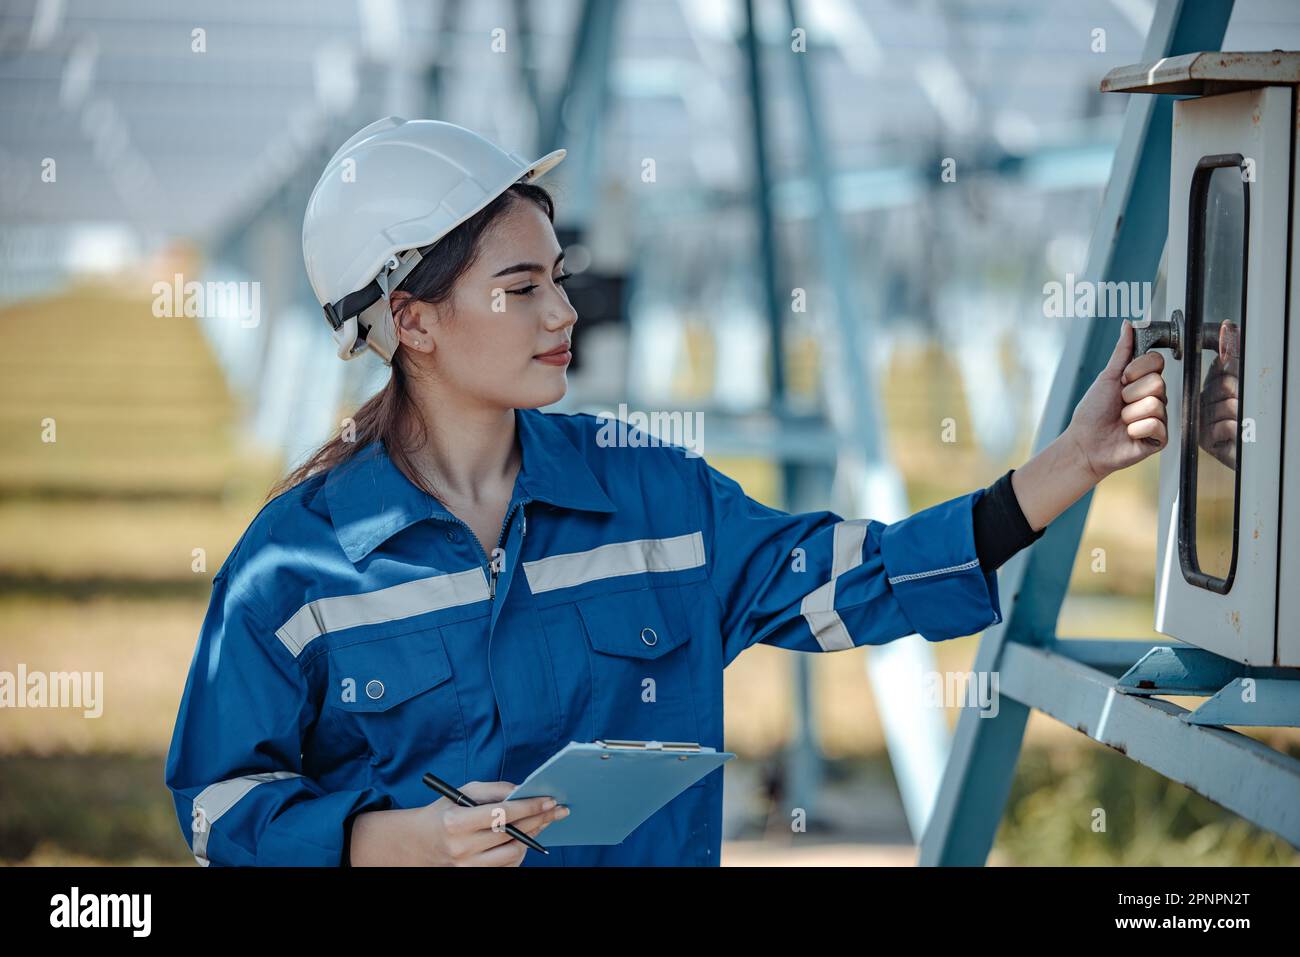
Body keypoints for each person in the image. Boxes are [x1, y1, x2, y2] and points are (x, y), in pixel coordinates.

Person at [164, 118, 1169, 866]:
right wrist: (400, 842)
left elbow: (848, 579)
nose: (563, 311)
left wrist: (1070, 462)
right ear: (412, 321)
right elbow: (217, 809)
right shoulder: (294, 565)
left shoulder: (650, 496)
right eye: (520, 289)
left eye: (559, 276)